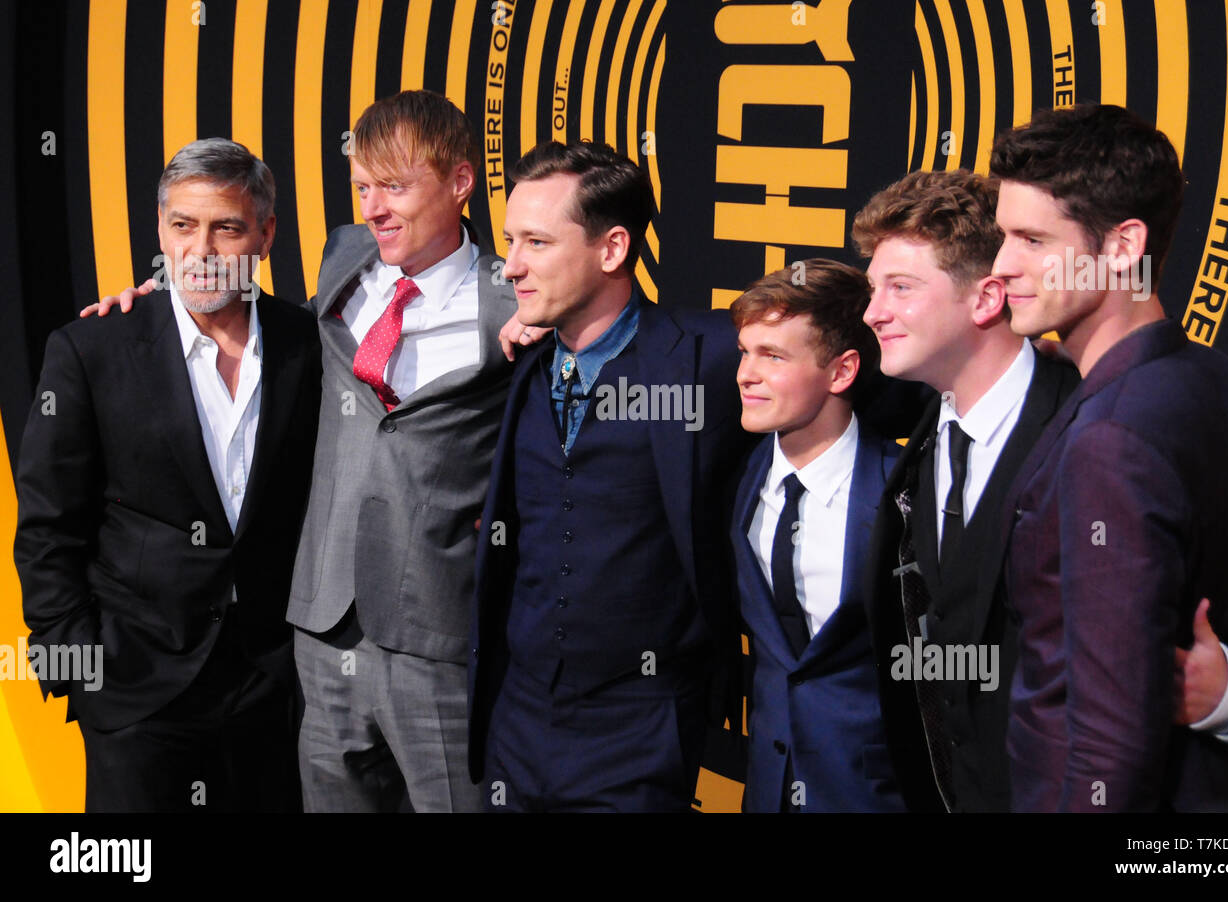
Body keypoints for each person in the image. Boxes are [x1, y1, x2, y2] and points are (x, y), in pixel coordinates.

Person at [84, 90, 517, 813]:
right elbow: (218, 289)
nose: (374, 208)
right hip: (318, 635)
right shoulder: (345, 258)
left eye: (396, 186)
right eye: (362, 188)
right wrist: (155, 301)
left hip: (438, 637)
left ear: (461, 182)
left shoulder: (514, 302)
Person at [855, 167, 1228, 812]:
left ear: (985, 299)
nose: (872, 313)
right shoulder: (923, 431)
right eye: (874, 288)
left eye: (899, 288)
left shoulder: (1110, 426)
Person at [989, 103, 1228, 811]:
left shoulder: (1111, 440)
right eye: (1004, 236)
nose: (1003, 265)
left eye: (1033, 239)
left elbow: (1109, 748)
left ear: (1124, 246)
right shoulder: (1226, 384)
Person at [14, 138, 320, 812]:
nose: (201, 250)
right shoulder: (92, 349)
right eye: (183, 225)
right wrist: (83, 671)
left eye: (227, 227)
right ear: (160, 229)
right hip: (138, 694)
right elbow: (47, 529)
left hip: (276, 695)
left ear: (266, 233)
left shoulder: (311, 346)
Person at [468, 141, 754, 812]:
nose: (511, 267)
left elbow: (862, 369)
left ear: (613, 248)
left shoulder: (708, 357)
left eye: (537, 242)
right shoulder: (528, 361)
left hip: (642, 728)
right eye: (512, 241)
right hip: (518, 720)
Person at [729, 259, 904, 812]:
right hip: (765, 788)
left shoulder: (905, 491)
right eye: (745, 351)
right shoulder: (733, 472)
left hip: (876, 793)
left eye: (773, 356)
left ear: (841, 372)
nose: (745, 374)